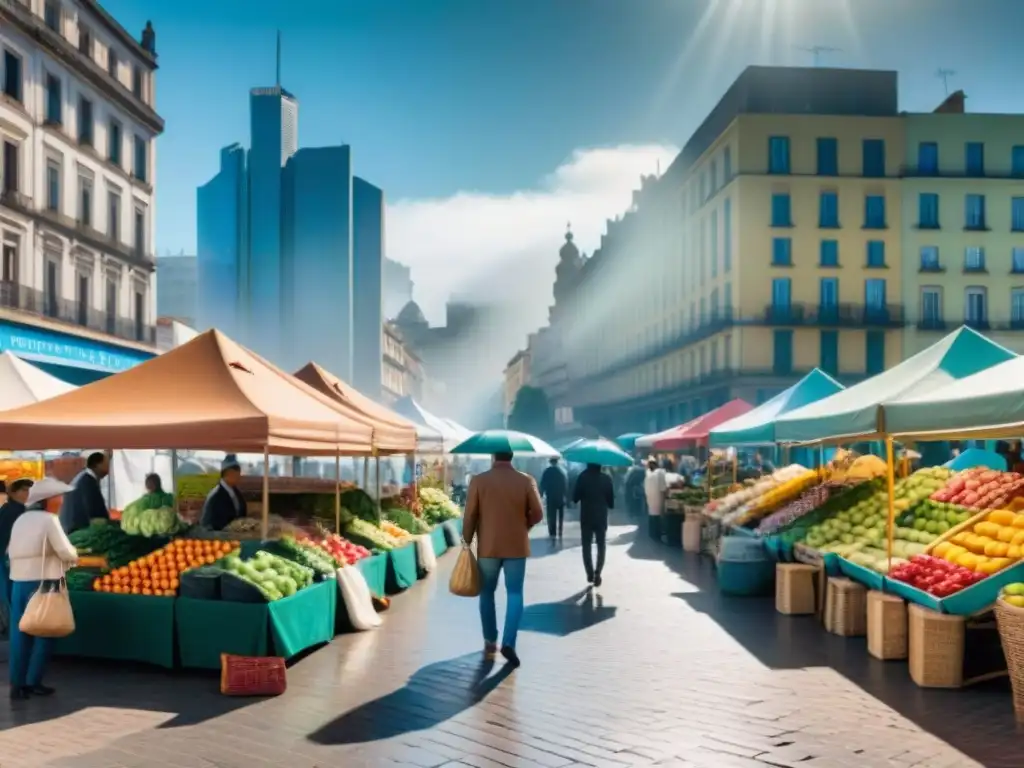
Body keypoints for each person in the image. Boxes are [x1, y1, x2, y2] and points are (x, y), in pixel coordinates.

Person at [463, 451, 543, 668]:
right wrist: (524, 525)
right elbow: (537, 512)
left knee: (486, 592)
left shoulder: (479, 481)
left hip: (488, 547)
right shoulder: (526, 480)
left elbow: (470, 514)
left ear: (493, 456)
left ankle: (490, 641)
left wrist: (467, 540)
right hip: (516, 545)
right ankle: (509, 642)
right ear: (511, 456)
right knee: (515, 593)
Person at [7, 493, 78, 699]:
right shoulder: (50, 520)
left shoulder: (20, 519)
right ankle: (33, 681)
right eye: (57, 499)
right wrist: (75, 557)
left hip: (18, 581)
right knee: (46, 629)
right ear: (48, 501)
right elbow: (65, 551)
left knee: (20, 631)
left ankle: (17, 683)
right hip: (42, 581)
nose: (60, 503)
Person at [572, 463, 614, 587]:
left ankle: (589, 572)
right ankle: (598, 572)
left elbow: (575, 498)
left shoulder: (582, 477)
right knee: (601, 545)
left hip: (586, 517)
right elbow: (611, 503)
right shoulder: (606, 479)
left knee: (586, 545)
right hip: (601, 517)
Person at [0, 478, 34, 624]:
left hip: (8, 557)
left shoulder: (13, 509)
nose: (27, 493)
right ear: (13, 492)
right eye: (24, 490)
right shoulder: (14, 511)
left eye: (29, 490)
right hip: (8, 558)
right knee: (10, 593)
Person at [59, 452, 110, 535]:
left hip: (71, 529)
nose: (108, 468)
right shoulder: (87, 482)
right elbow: (95, 514)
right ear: (97, 465)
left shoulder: (83, 478)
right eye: (106, 464)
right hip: (77, 531)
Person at [201, 455, 247, 531]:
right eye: (237, 474)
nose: (239, 477)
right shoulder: (215, 496)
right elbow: (209, 524)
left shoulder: (237, 493)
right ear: (229, 473)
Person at [539, 457, 568, 539]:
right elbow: (565, 484)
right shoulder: (562, 471)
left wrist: (541, 494)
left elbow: (543, 484)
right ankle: (560, 530)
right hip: (560, 496)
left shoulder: (547, 471)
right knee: (561, 515)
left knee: (551, 515)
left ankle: (552, 532)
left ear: (550, 462)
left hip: (550, 497)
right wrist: (566, 496)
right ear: (557, 462)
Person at [644, 458, 667, 541]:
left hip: (650, 498)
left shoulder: (648, 474)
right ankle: (657, 535)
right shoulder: (660, 473)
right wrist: (665, 496)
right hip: (658, 498)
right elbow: (663, 488)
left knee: (652, 515)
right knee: (657, 516)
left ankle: (653, 534)